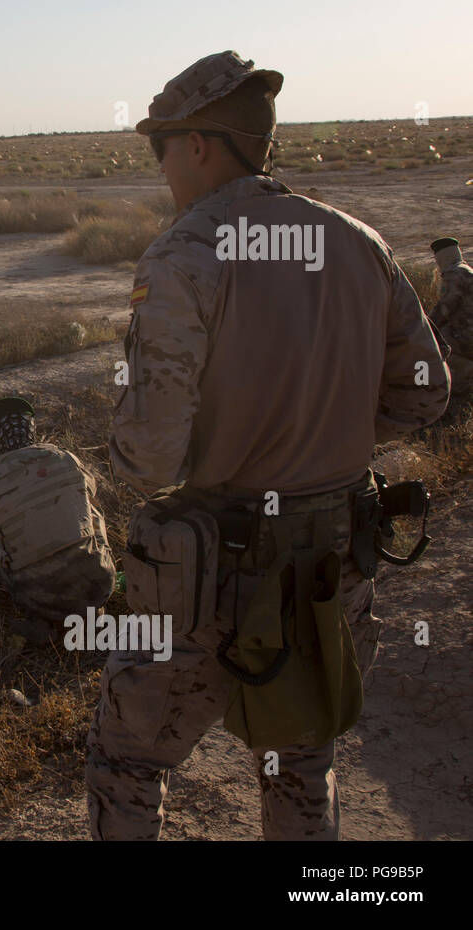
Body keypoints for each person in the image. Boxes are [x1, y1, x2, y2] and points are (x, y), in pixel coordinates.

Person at [85, 51, 449, 840]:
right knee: (300, 768)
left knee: (128, 761)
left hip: (210, 574)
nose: (162, 168)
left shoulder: (186, 255)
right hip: (331, 568)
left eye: (163, 148)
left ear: (201, 146)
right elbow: (427, 393)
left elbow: (148, 458)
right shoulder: (360, 243)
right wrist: (332, 427)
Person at [0, 397, 115, 642]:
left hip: (35, 595)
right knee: (91, 513)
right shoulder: (66, 457)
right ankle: (90, 609)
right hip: (100, 582)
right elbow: (89, 493)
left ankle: (43, 620)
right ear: (31, 428)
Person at [428, 237, 473, 398]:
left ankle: (437, 389)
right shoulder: (466, 270)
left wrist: (425, 326)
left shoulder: (455, 274)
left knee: (432, 344)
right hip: (467, 331)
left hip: (467, 336)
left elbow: (445, 308)